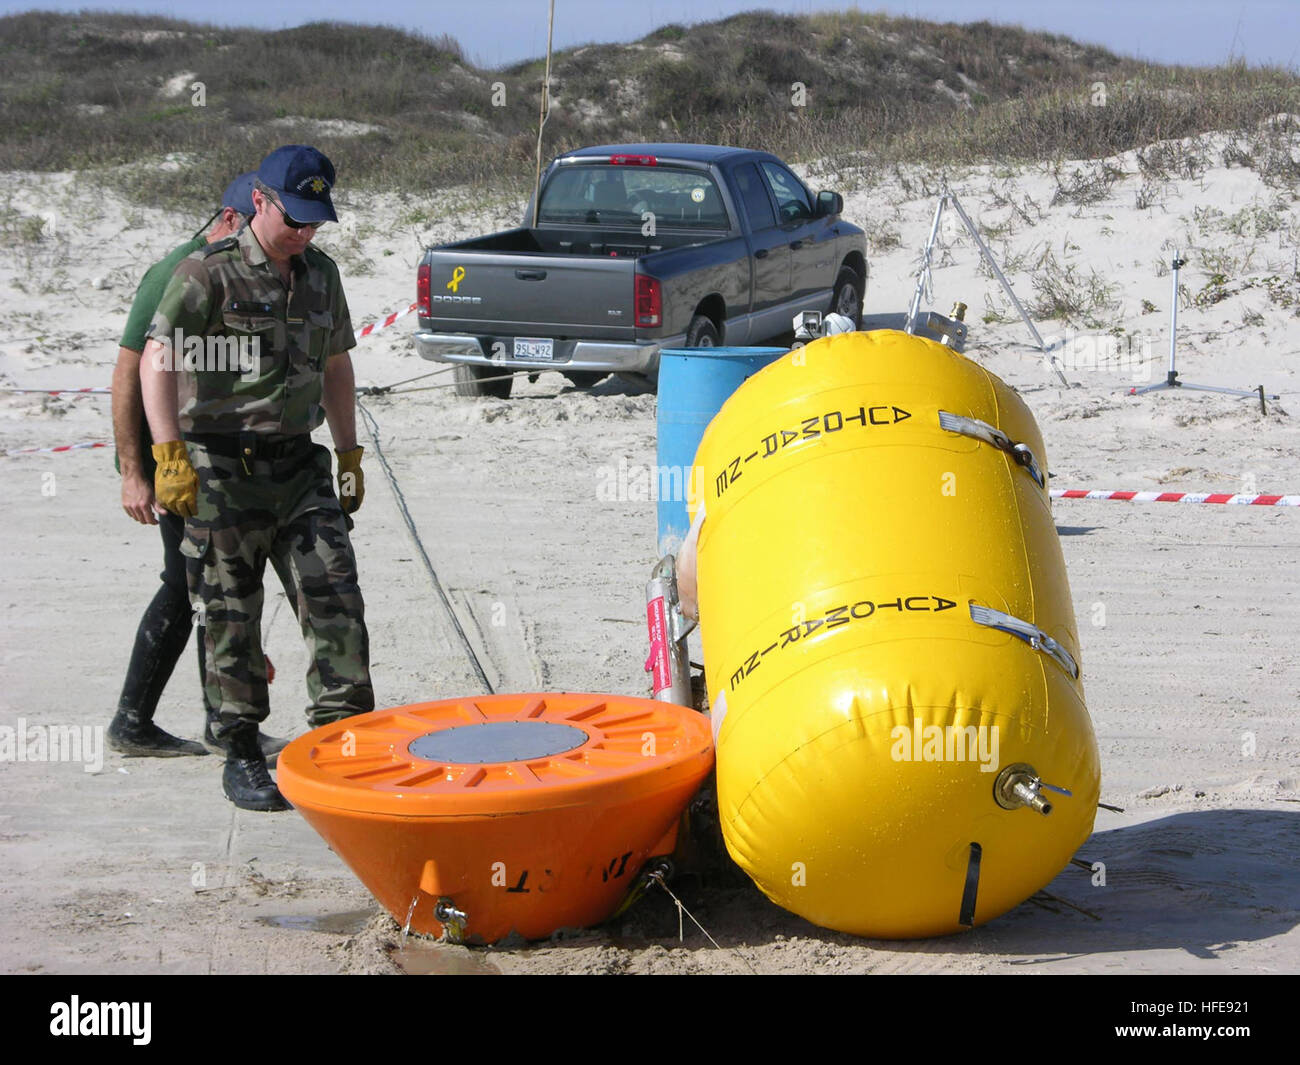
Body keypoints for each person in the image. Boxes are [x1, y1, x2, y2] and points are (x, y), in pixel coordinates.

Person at [140, 144, 373, 812]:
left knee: (336, 594)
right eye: (292, 218)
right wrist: (167, 455)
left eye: (313, 221)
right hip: (220, 467)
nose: (303, 232)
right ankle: (241, 747)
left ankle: (343, 737)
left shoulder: (322, 276)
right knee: (229, 611)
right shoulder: (206, 274)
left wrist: (349, 452)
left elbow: (335, 366)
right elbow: (157, 360)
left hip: (300, 465)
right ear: (260, 202)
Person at [108, 172, 288, 761]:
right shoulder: (179, 271)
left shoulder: (231, 272)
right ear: (233, 219)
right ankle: (136, 722)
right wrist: (139, 470)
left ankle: (217, 717)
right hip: (174, 459)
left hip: (208, 455)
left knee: (207, 581)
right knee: (187, 582)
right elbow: (129, 371)